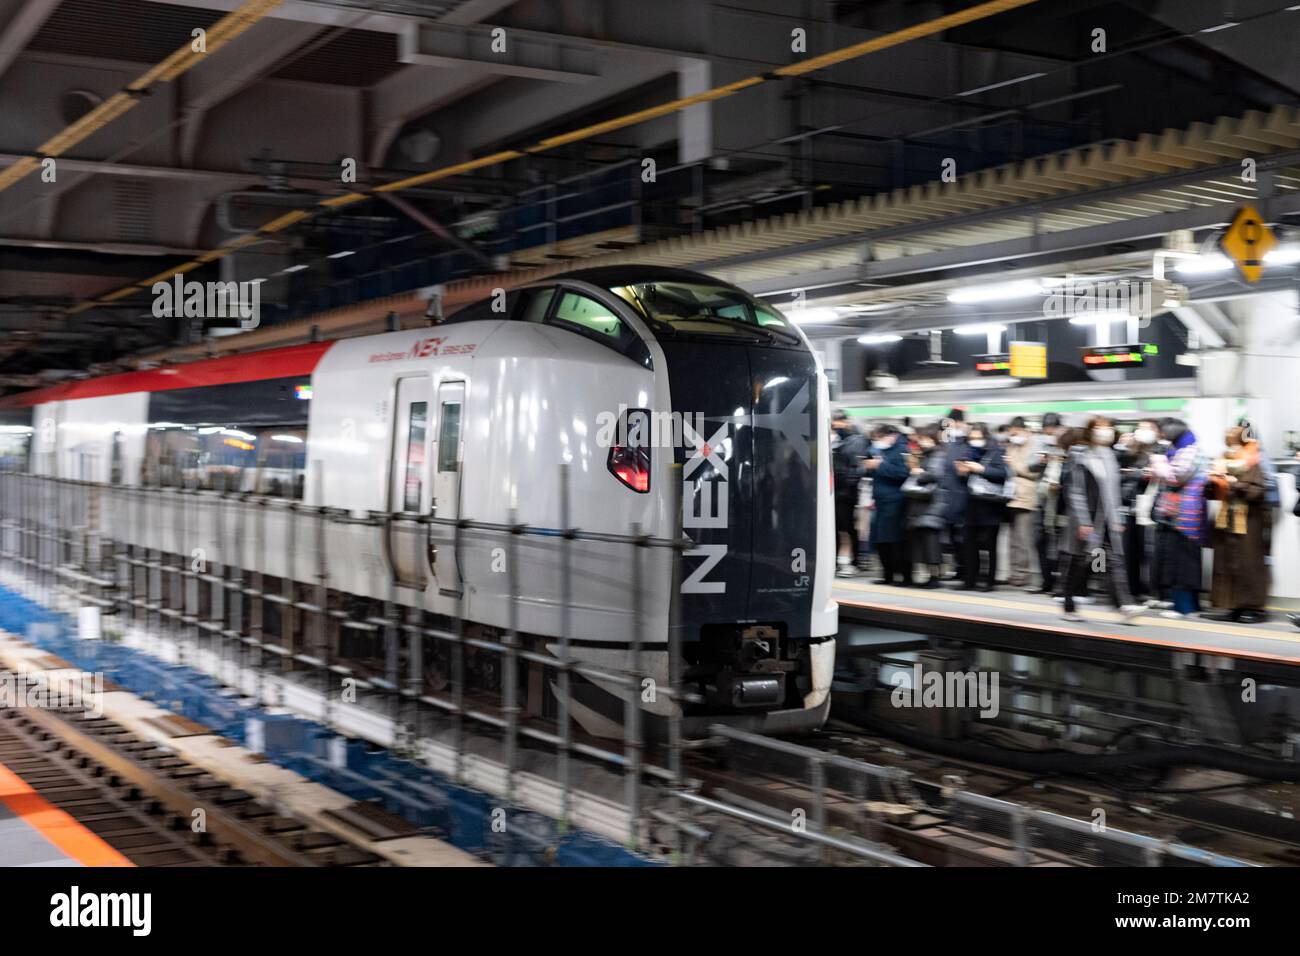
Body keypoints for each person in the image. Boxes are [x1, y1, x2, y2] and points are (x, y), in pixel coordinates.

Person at [1057, 416, 1146, 624]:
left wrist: (1116, 518)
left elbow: (1113, 491)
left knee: (1110, 563)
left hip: (1105, 524)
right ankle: (1068, 604)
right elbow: (1075, 492)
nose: (1104, 432)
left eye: (1108, 428)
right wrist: (1083, 522)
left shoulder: (1109, 455)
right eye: (1099, 428)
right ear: (1090, 431)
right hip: (1086, 524)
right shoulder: (1079, 455)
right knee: (1078, 564)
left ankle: (1123, 606)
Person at [1203, 426, 1270, 623]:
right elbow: (1213, 493)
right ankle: (1232, 605)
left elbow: (1258, 492)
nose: (1232, 447)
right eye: (1229, 443)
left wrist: (1234, 483)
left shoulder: (1253, 463)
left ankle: (1253, 607)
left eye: (1234, 443)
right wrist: (1212, 482)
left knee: (1248, 564)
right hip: (1227, 520)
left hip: (1250, 522)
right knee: (1226, 563)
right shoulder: (1223, 461)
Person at [1148, 418, 1207, 619]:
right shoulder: (1181, 449)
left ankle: (1184, 607)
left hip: (1184, 516)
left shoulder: (1189, 450)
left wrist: (1158, 462)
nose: (1162, 437)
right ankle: (1185, 604)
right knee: (1178, 559)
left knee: (1181, 561)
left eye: (1163, 432)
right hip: (1177, 514)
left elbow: (1176, 476)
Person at [956, 422, 1007, 591]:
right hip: (972, 507)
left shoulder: (996, 452)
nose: (974, 441)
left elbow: (1002, 475)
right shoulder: (968, 453)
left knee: (990, 547)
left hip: (990, 507)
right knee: (969, 546)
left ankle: (989, 581)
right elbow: (968, 481)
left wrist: (981, 469)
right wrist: (963, 472)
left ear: (985, 437)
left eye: (978, 437)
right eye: (972, 437)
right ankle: (970, 580)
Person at [1116, 419, 1159, 603]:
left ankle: (1152, 591)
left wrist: (1134, 474)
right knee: (1130, 552)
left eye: (1147, 428)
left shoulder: (1160, 451)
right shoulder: (1130, 451)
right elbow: (1120, 474)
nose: (1143, 431)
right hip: (1130, 508)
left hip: (1151, 509)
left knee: (1148, 553)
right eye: (1140, 428)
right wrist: (1137, 474)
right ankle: (1134, 590)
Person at [864, 425, 912, 585]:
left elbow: (903, 473)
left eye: (880, 438)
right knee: (881, 540)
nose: (877, 442)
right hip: (880, 501)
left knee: (896, 541)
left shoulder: (902, 451)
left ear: (891, 436)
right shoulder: (880, 451)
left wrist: (880, 465)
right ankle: (888, 575)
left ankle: (904, 576)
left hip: (896, 502)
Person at [905, 423, 948, 588]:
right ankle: (931, 576)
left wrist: (918, 473)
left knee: (931, 543)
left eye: (923, 439)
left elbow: (935, 474)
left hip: (932, 505)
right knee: (926, 543)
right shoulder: (929, 454)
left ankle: (935, 577)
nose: (921, 442)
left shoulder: (937, 455)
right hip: (925, 505)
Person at [1003, 416, 1039, 588]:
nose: (1013, 435)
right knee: (1012, 540)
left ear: (1024, 430)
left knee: (1023, 539)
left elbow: (1034, 472)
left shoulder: (1034, 446)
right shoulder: (1011, 446)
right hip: (1011, 497)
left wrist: (1014, 465)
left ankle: (1023, 574)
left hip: (1026, 498)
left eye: (1015, 432)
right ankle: (1013, 572)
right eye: (1011, 433)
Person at [1033, 412, 1066, 594]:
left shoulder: (1068, 445)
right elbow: (1030, 465)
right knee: (1040, 542)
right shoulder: (1039, 443)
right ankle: (1046, 581)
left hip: (1060, 503)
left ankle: (1062, 584)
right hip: (1042, 500)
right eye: (1046, 429)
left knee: (1060, 545)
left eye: (1052, 429)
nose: (1049, 432)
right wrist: (1041, 462)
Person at [831, 411, 868, 577]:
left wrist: (849, 486)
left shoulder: (856, 440)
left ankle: (856, 560)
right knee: (836, 528)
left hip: (846, 492)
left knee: (847, 527)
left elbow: (856, 467)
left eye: (838, 422)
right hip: (836, 491)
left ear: (845, 422)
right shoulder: (839, 440)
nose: (835, 425)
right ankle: (835, 561)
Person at [940, 412, 972, 581]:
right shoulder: (948, 443)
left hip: (963, 497)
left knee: (962, 537)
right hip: (949, 496)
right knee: (952, 537)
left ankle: (968, 570)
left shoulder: (968, 443)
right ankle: (959, 568)